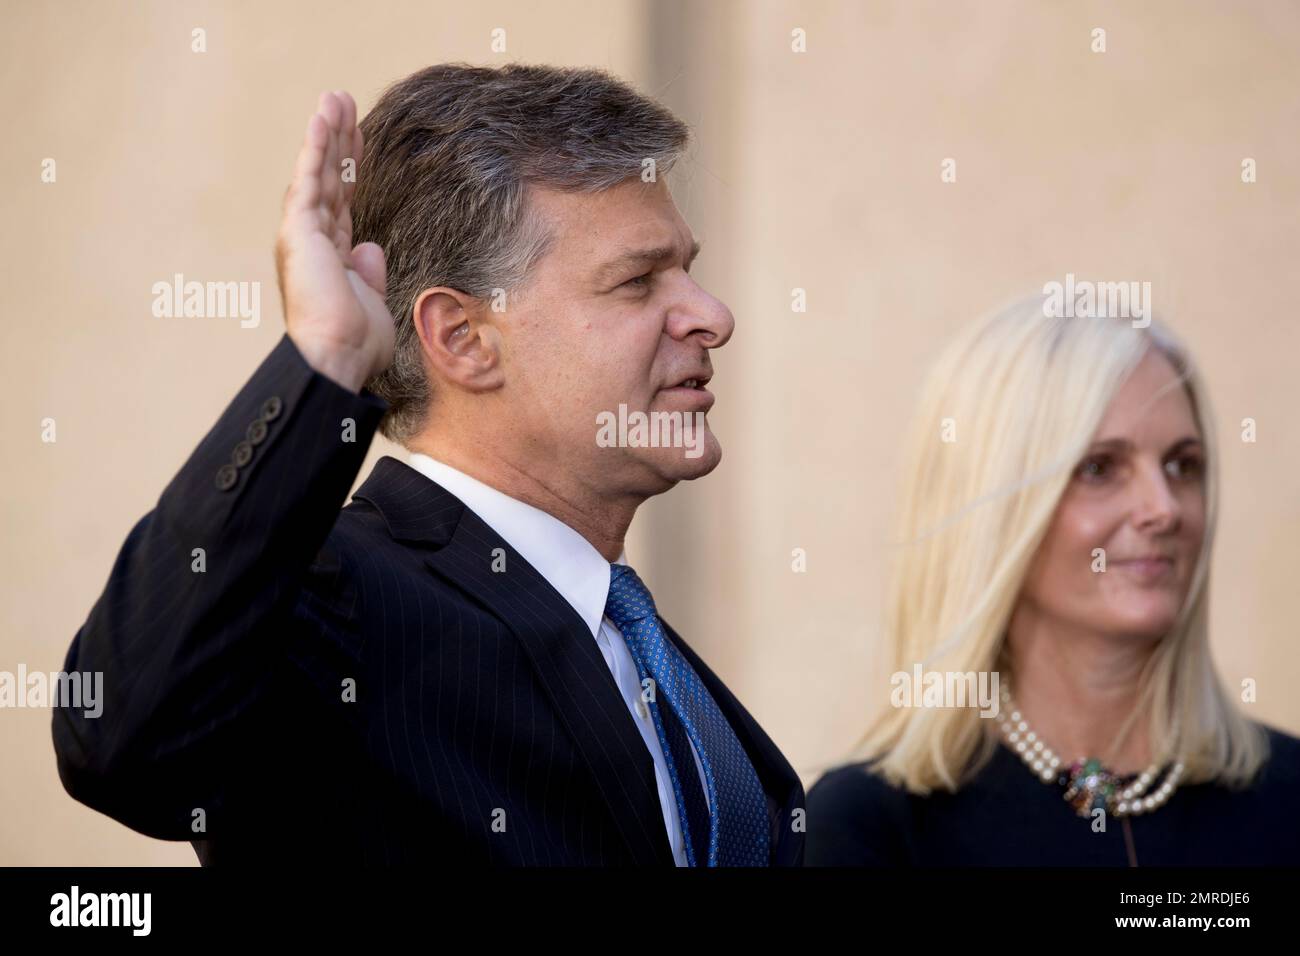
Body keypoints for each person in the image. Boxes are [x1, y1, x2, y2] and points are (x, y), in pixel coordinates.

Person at [52, 64, 803, 867]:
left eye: (688, 270)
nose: (711, 316)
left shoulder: (649, 658)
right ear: (464, 339)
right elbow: (123, 741)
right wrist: (324, 362)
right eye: (638, 281)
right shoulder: (336, 601)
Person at [806, 296, 1299, 865]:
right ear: (990, 510)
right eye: (1099, 468)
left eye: (1182, 465)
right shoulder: (871, 829)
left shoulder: (1288, 798)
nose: (1163, 508)